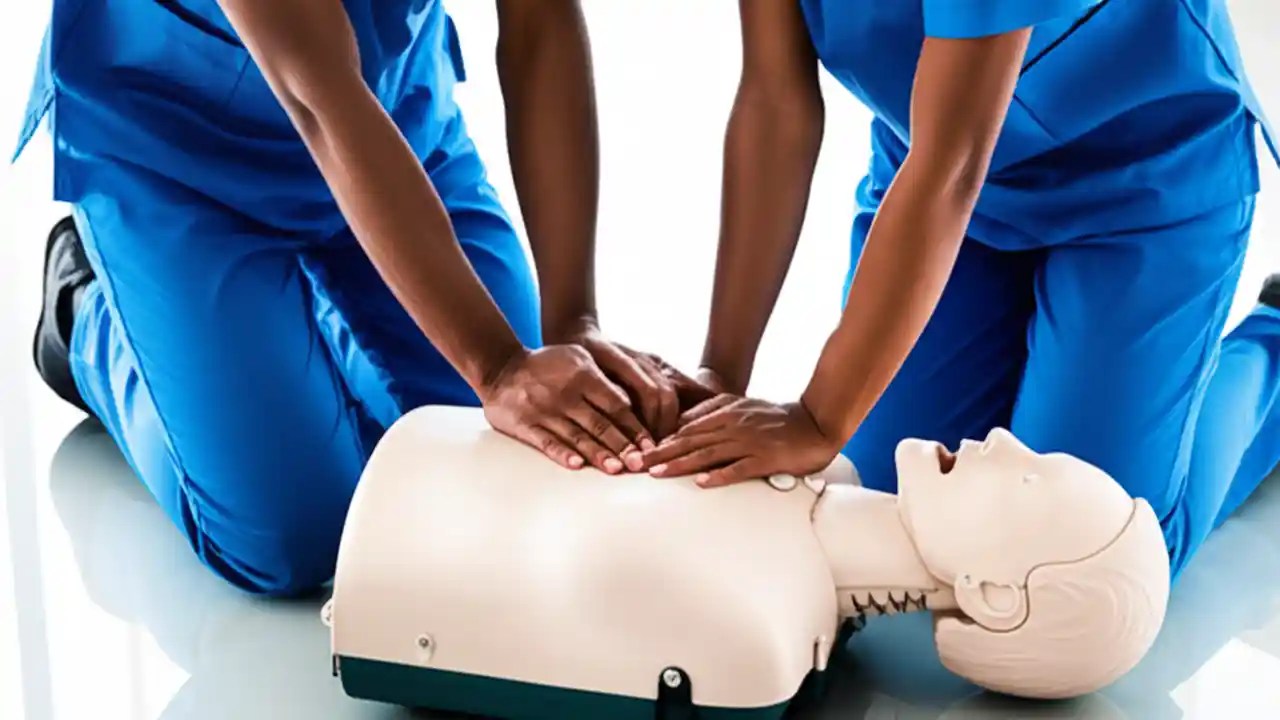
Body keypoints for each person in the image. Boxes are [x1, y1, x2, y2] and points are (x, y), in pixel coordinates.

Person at [19, 0, 697, 596]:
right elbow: (318, 97)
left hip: (392, 119)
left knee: (501, 456)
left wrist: (569, 322)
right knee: (291, 539)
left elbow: (541, 23)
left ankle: (307, 319)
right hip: (176, 147)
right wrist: (498, 366)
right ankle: (86, 316)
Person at [643, 0, 1280, 581]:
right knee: (891, 502)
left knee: (1097, 553)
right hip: (955, 195)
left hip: (1145, 182)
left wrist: (817, 417)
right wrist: (722, 367)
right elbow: (774, 101)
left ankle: (1272, 342)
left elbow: (952, 166)